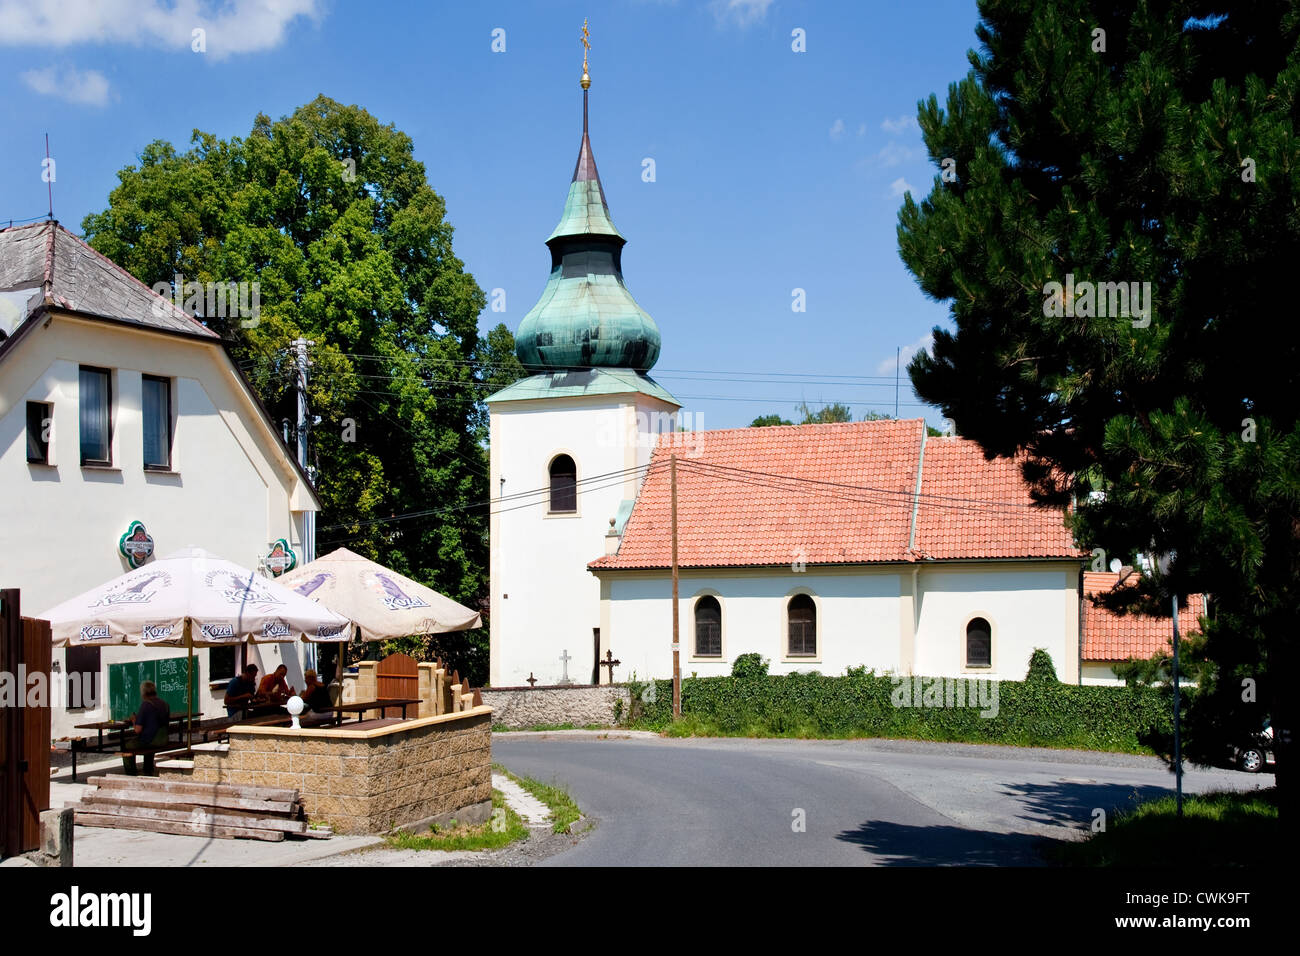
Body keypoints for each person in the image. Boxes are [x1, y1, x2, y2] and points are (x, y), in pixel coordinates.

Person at [123, 681, 170, 776]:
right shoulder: (164, 704)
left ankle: (131, 773)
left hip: (151, 741)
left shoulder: (146, 705)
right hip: (163, 739)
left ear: (143, 693)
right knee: (148, 741)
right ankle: (148, 769)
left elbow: (137, 730)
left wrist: (133, 720)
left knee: (126, 746)